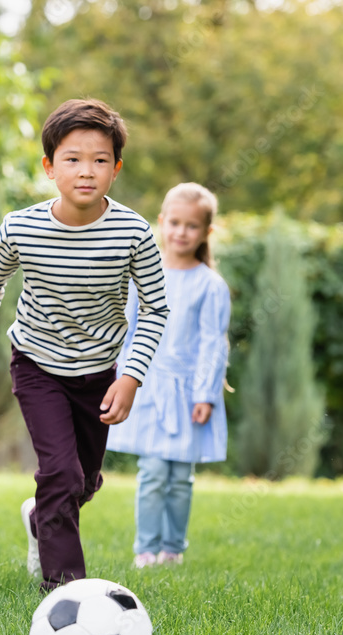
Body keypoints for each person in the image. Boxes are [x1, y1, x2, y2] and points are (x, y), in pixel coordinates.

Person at [0, 98, 170, 592]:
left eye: (99, 160)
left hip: (100, 372)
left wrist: (131, 377)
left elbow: (155, 308)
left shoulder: (133, 233)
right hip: (36, 365)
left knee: (82, 482)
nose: (85, 171)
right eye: (72, 159)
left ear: (116, 168)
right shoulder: (22, 226)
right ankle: (65, 589)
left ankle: (40, 518)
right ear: (49, 167)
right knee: (62, 474)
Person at [107, 182, 230, 568]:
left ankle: (173, 549)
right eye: (174, 223)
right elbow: (124, 329)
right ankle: (146, 549)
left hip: (189, 392)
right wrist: (118, 376)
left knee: (180, 477)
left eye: (191, 226)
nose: (180, 232)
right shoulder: (141, 274)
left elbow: (213, 343)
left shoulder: (211, 285)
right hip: (147, 384)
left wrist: (205, 394)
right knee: (154, 471)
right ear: (161, 223)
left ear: (206, 232)